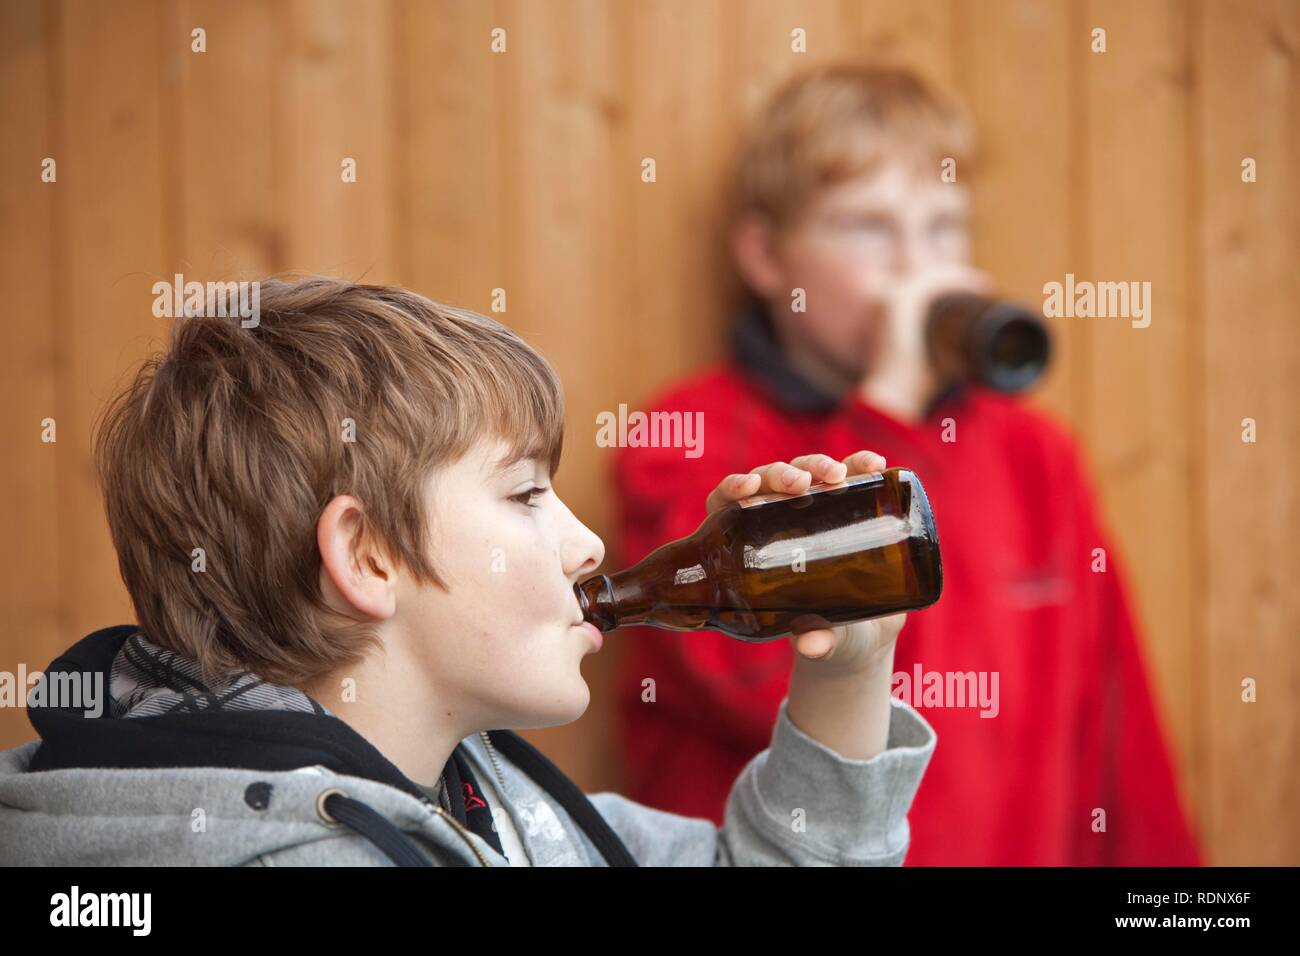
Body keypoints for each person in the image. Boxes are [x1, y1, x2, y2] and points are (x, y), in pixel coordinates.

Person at [0, 275, 936, 866]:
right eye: (526, 497)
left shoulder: (493, 797)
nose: (590, 545)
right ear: (368, 557)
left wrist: (844, 669)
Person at [612, 64, 1202, 866]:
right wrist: (888, 408)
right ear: (764, 256)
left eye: (942, 227)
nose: (915, 270)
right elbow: (747, 684)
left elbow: (1116, 737)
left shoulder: (1036, 455)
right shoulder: (688, 438)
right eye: (867, 227)